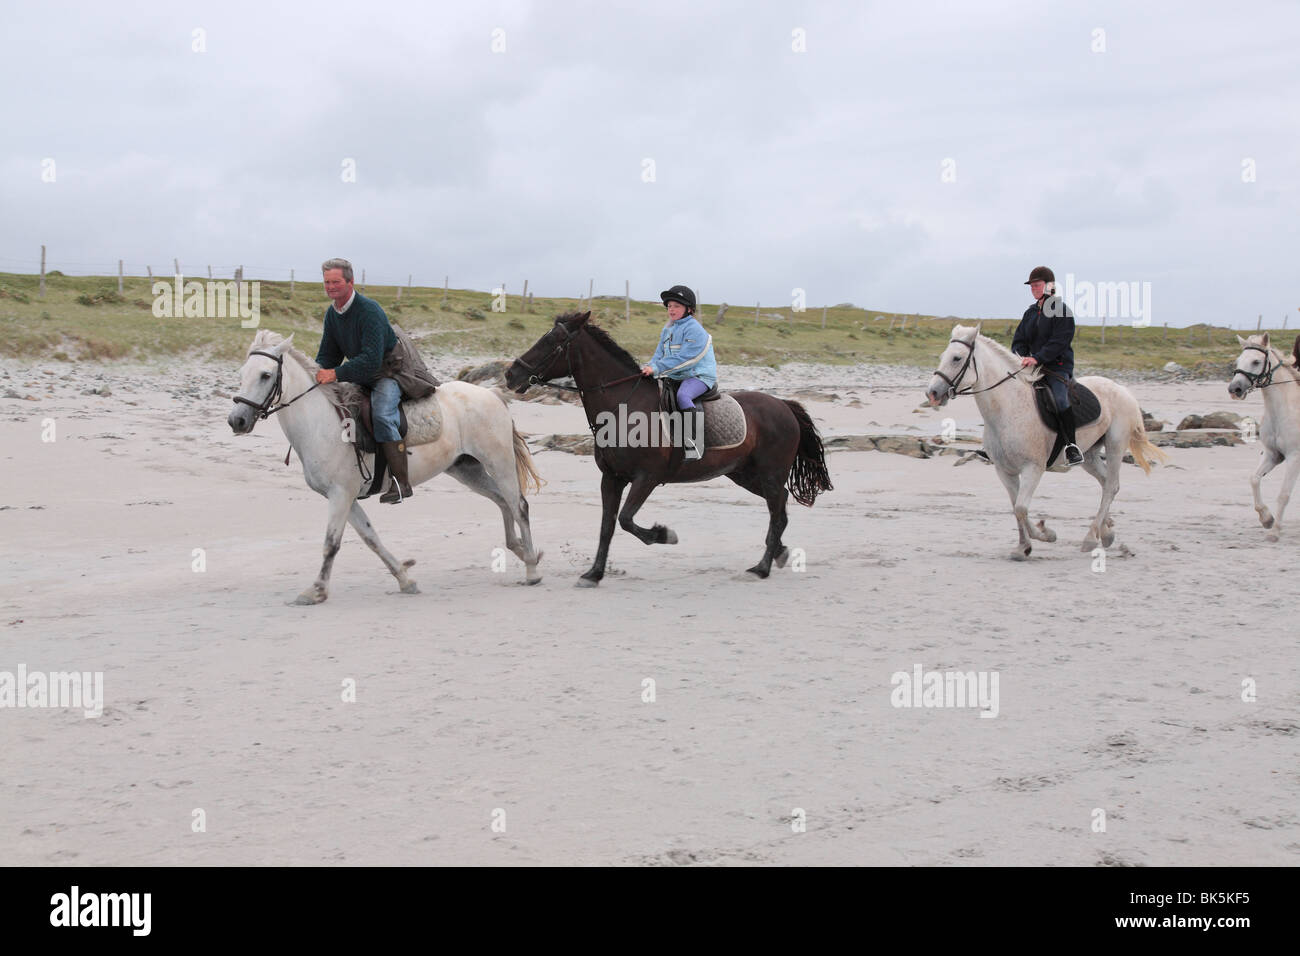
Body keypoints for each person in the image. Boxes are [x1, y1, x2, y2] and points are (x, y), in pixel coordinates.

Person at [314, 258, 439, 502]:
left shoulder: (368, 310)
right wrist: (316, 373)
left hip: (387, 374)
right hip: (361, 377)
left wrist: (336, 374)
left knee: (382, 414)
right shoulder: (332, 314)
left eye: (336, 281)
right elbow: (328, 355)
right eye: (327, 282)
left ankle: (402, 483)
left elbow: (371, 361)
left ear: (350, 282)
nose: (330, 287)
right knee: (343, 412)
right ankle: (357, 475)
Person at [1011, 265, 1082, 466]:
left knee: (1059, 399)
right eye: (1031, 285)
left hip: (1057, 368)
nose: (1033, 288)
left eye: (1037, 284)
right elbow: (1019, 339)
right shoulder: (1030, 313)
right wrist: (1022, 356)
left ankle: (1071, 446)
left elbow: (1060, 342)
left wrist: (1038, 358)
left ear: (1049, 286)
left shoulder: (1062, 311)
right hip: (1032, 368)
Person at [640, 285, 717, 460]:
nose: (671, 310)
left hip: (698, 376)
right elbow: (659, 355)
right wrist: (648, 368)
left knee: (683, 396)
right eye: (669, 306)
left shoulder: (694, 329)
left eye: (676, 306)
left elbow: (685, 359)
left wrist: (657, 369)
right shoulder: (668, 329)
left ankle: (695, 444)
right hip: (675, 375)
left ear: (688, 309)